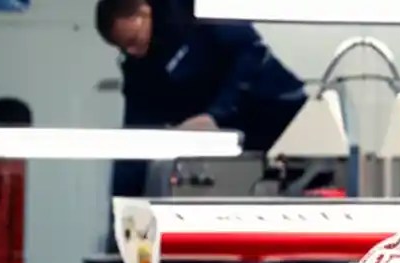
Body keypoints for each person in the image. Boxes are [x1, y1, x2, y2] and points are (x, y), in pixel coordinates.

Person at [94, 0, 307, 200]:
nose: (132, 51)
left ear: (144, 10)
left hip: (277, 110)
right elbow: (136, 139)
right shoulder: (139, 69)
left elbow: (250, 52)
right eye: (123, 47)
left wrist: (216, 114)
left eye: (132, 41)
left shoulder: (193, 9)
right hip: (228, 143)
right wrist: (122, 213)